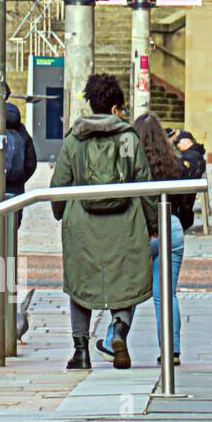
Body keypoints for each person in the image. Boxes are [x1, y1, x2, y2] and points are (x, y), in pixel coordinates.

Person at [51, 73, 156, 372]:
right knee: (126, 278)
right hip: (125, 223)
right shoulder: (127, 138)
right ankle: (119, 331)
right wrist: (152, 224)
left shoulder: (74, 139)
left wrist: (60, 212)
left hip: (82, 225)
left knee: (80, 284)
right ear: (114, 108)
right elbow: (144, 183)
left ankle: (81, 350)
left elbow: (59, 183)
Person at [97, 112, 188, 366]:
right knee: (166, 294)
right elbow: (185, 204)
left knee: (129, 291)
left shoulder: (128, 164)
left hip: (138, 229)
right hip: (170, 227)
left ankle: (112, 339)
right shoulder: (175, 164)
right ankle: (172, 349)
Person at [3, 101, 38, 236]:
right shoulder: (21, 130)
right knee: (11, 231)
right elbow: (31, 163)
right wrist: (19, 179)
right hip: (15, 189)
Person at [173, 130, 207, 231]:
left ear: (187, 141)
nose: (177, 145)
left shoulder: (190, 157)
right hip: (189, 197)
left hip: (185, 199)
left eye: (179, 142)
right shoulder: (196, 154)